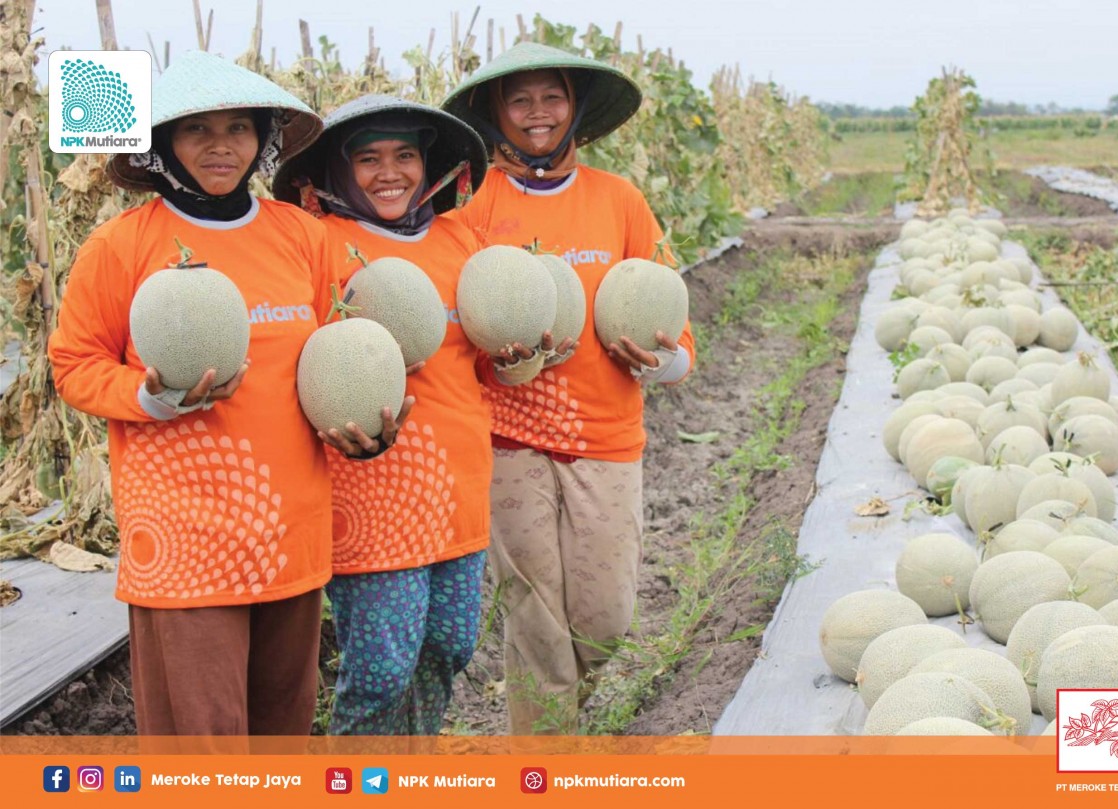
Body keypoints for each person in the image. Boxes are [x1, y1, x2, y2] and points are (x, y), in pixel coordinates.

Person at [47, 52, 409, 737]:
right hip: (185, 539)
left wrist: (368, 426)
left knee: (280, 736)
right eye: (197, 131)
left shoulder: (303, 236)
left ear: (264, 139)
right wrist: (146, 397)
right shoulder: (120, 246)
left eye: (239, 127)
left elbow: (347, 352)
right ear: (162, 147)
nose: (221, 146)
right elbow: (72, 364)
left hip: (291, 534)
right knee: (202, 747)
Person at [443, 42, 696, 734]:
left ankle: (544, 734)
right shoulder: (471, 211)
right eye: (518, 99)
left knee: (604, 620)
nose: (536, 113)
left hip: (608, 436)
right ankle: (542, 766)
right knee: (537, 620)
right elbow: (456, 336)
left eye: (551, 96)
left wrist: (654, 359)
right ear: (495, 113)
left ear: (575, 107)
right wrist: (508, 362)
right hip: (509, 439)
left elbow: (679, 337)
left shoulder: (620, 202)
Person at [273, 96, 492, 735]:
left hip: (458, 486)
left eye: (404, 155)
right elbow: (301, 361)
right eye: (367, 159)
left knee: (449, 648)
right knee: (379, 672)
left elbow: (480, 359)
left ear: (429, 166)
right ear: (338, 172)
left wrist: (519, 356)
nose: (388, 172)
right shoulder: (317, 243)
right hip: (368, 491)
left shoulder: (460, 239)